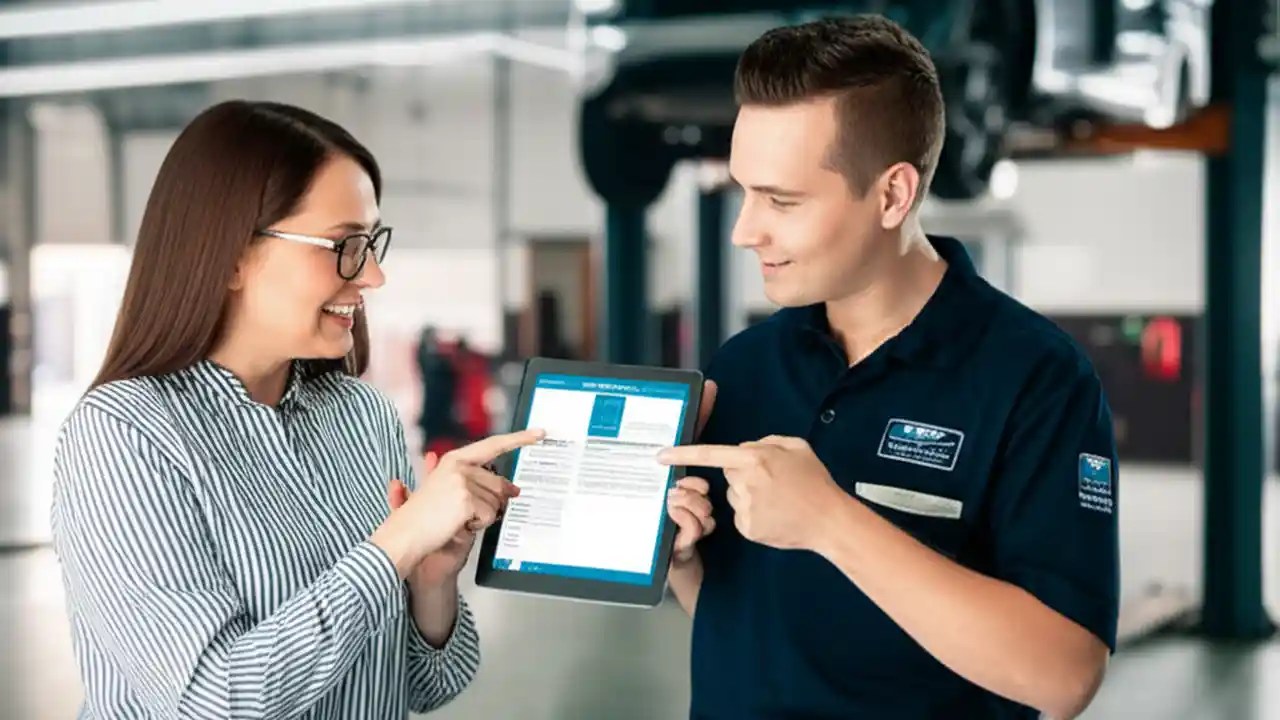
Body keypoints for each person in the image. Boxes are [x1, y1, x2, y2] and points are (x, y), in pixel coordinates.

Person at [660, 16, 1118, 720]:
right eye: (744, 191)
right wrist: (687, 564)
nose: (744, 230)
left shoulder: (1036, 380)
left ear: (894, 195)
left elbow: (1064, 677)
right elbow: (749, 628)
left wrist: (832, 522)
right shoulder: (745, 365)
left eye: (781, 201)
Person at [50, 100, 542, 719]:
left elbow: (429, 685)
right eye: (344, 245)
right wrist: (395, 547)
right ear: (231, 255)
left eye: (372, 242)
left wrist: (430, 579)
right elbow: (216, 699)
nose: (374, 277)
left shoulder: (363, 416)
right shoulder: (125, 436)